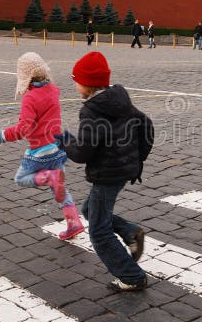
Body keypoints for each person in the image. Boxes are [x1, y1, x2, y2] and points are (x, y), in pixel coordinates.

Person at [57, 52, 154, 291]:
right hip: (122, 170)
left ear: (86, 83)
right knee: (90, 209)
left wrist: (62, 141)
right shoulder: (120, 100)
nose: (74, 84)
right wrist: (136, 159)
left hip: (107, 174)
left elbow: (82, 153)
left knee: (99, 232)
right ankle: (130, 232)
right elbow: (147, 126)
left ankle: (132, 276)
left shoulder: (92, 110)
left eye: (75, 79)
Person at [0, 52, 85, 241]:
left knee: (21, 178)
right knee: (59, 187)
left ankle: (49, 177)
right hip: (58, 148)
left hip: (39, 151)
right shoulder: (53, 90)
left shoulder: (30, 98)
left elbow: (22, 129)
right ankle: (74, 222)